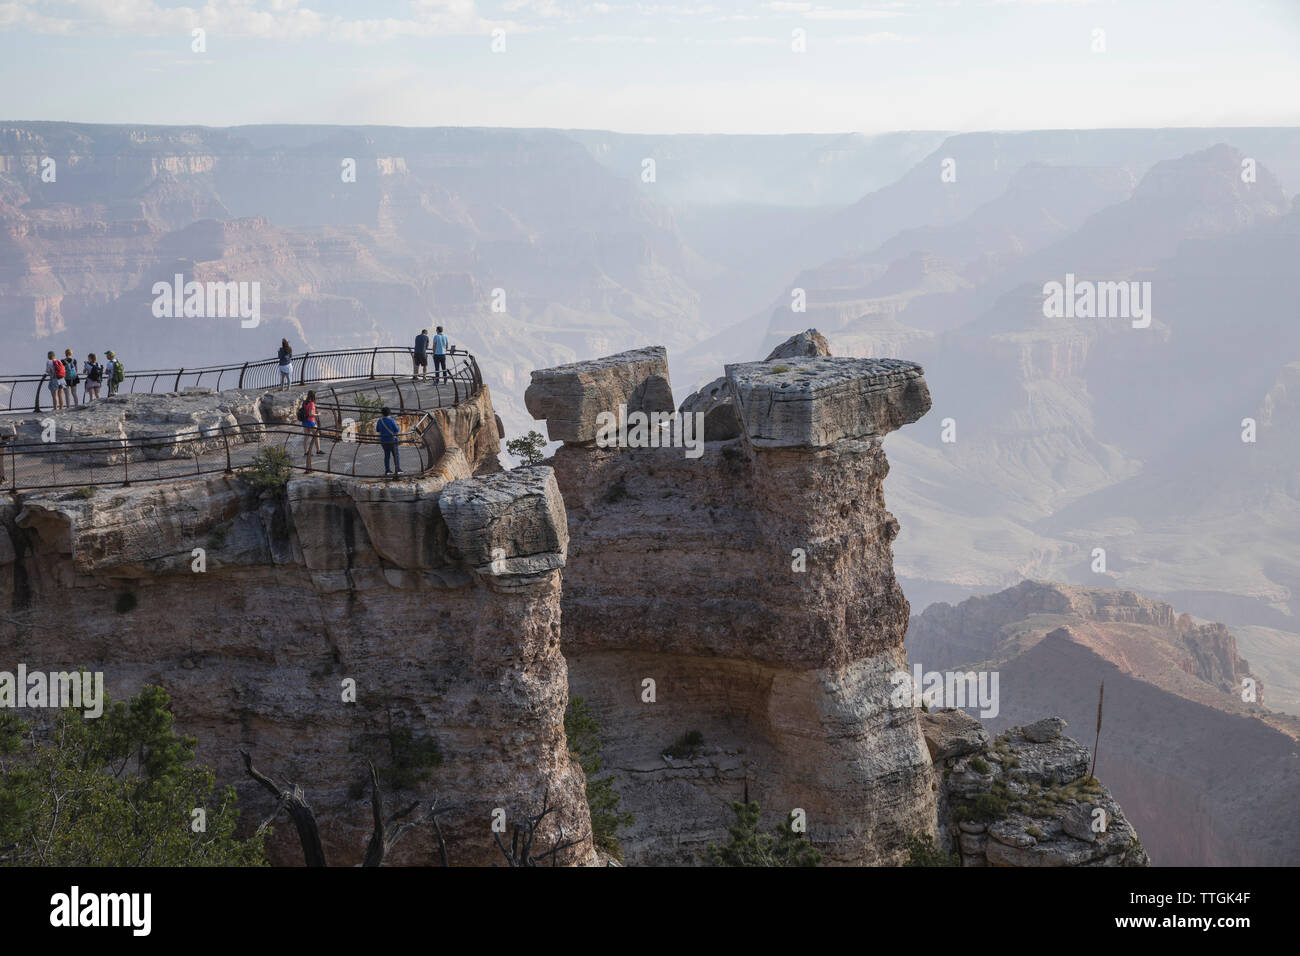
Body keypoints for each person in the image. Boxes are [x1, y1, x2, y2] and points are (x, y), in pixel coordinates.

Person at [376, 406, 401, 475]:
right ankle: (397, 469)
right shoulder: (391, 420)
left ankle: (387, 470)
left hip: (383, 441)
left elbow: (377, 430)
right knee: (395, 455)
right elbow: (397, 430)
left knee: (387, 455)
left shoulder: (380, 421)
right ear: (389, 413)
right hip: (392, 440)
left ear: (382, 413)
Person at [301, 389, 320, 470]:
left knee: (306, 437)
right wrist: (317, 414)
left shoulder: (304, 402)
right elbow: (311, 414)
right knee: (316, 434)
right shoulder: (311, 403)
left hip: (304, 422)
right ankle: (318, 450)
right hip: (310, 422)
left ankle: (306, 452)